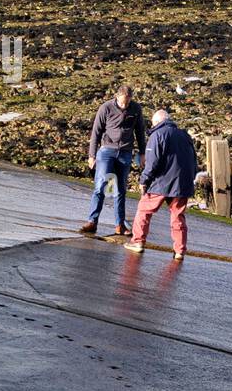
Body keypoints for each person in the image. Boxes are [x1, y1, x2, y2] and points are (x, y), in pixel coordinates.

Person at [125, 109, 196, 260]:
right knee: (178, 216)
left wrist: (144, 180)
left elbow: (152, 162)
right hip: (182, 183)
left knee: (144, 211)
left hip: (161, 182)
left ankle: (137, 242)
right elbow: (193, 160)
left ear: (156, 122)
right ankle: (179, 251)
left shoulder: (157, 135)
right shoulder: (185, 135)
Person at [80, 84, 146, 236]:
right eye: (123, 102)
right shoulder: (106, 108)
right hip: (107, 151)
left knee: (120, 189)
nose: (125, 105)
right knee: (101, 185)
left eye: (128, 102)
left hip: (125, 152)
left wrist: (142, 153)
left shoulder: (136, 109)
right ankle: (92, 221)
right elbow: (96, 132)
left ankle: (119, 225)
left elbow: (140, 132)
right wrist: (92, 155)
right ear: (117, 96)